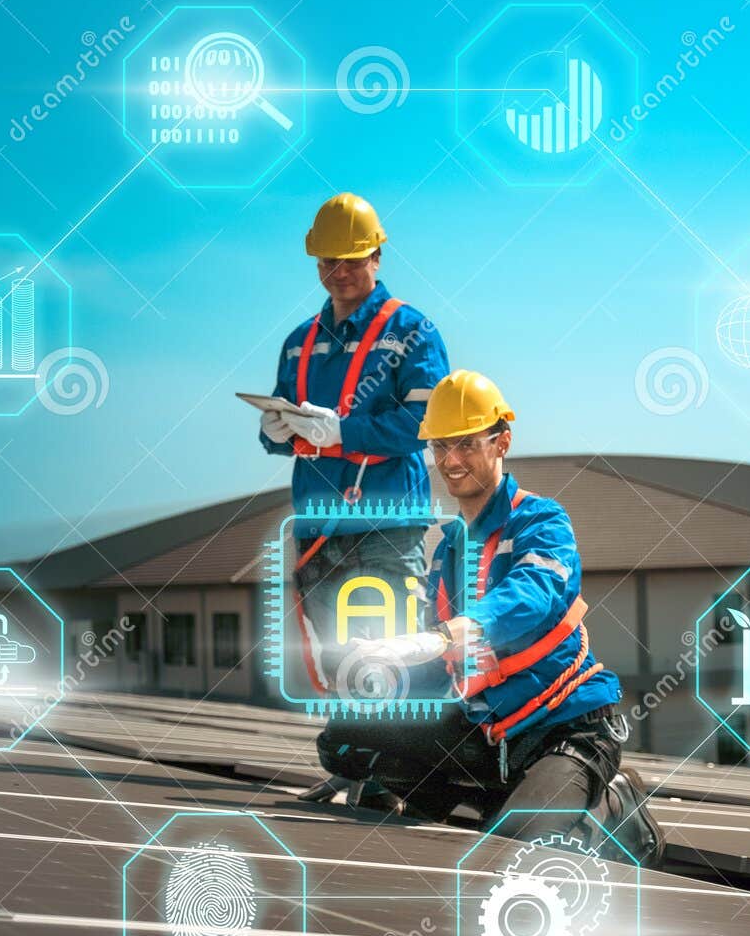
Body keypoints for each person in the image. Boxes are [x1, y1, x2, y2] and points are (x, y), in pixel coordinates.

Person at [298, 369, 665, 868]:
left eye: (467, 444)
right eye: (441, 446)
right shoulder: (446, 549)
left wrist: (445, 634)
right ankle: (494, 796)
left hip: (560, 729)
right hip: (486, 733)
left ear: (501, 443)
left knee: (509, 853)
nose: (451, 461)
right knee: (348, 734)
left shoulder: (540, 521)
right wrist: (364, 757)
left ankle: (610, 802)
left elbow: (536, 594)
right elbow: (433, 674)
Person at [260, 193, 450, 703]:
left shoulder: (412, 332)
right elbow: (282, 426)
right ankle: (358, 768)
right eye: (327, 260)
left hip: (388, 528)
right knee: (338, 661)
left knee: (389, 657)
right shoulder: (299, 342)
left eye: (350, 259)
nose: (338, 271)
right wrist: (273, 433)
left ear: (376, 257)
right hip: (321, 529)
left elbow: (427, 423)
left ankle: (394, 777)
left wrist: (344, 432)